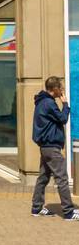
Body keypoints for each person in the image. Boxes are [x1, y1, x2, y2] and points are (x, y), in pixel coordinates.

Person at [31, 76, 78, 219]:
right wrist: (65, 104)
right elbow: (63, 119)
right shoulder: (49, 103)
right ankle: (69, 212)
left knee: (43, 178)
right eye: (61, 88)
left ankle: (36, 208)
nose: (62, 91)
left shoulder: (42, 102)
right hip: (51, 147)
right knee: (62, 178)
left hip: (46, 147)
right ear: (55, 89)